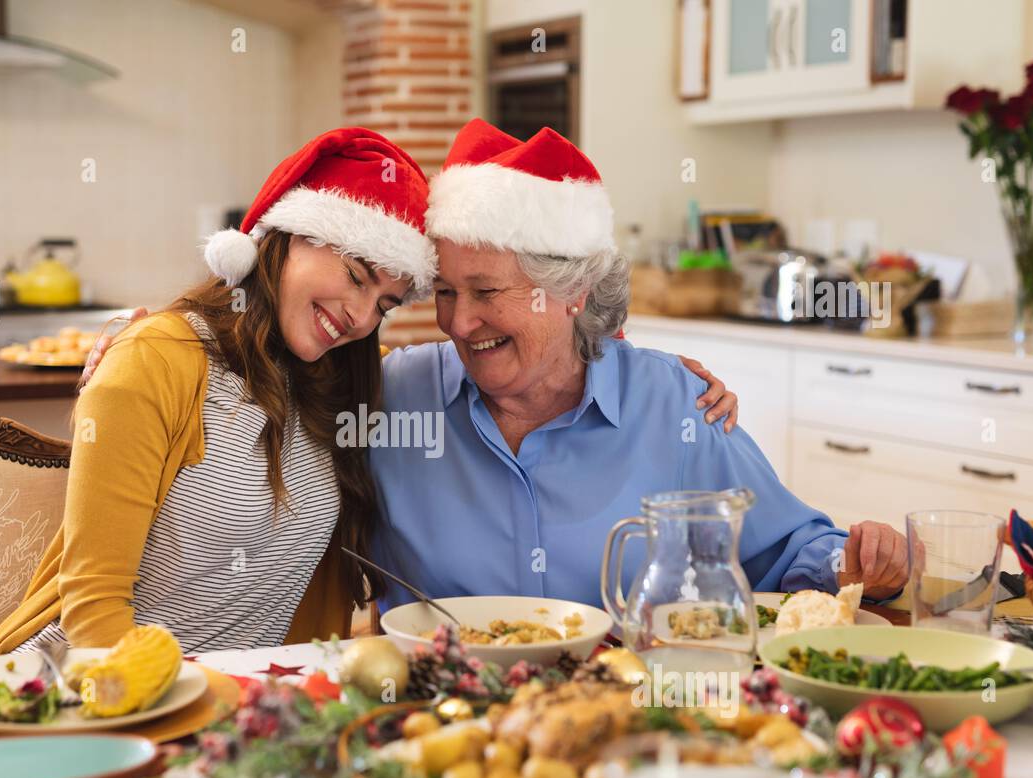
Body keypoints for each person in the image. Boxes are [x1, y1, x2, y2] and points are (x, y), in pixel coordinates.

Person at [54, 126, 741, 653]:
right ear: (283, 239)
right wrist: (135, 346)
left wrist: (652, 380)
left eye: (384, 303)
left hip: (260, 707)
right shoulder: (164, 362)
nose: (358, 316)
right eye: (356, 276)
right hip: (106, 697)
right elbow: (91, 610)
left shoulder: (352, 389)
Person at [368, 118, 908, 614]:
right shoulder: (391, 399)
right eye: (444, 292)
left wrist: (861, 565)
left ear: (572, 290)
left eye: (485, 292)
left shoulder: (674, 402)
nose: (459, 323)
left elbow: (786, 546)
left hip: (625, 704)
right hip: (431, 710)